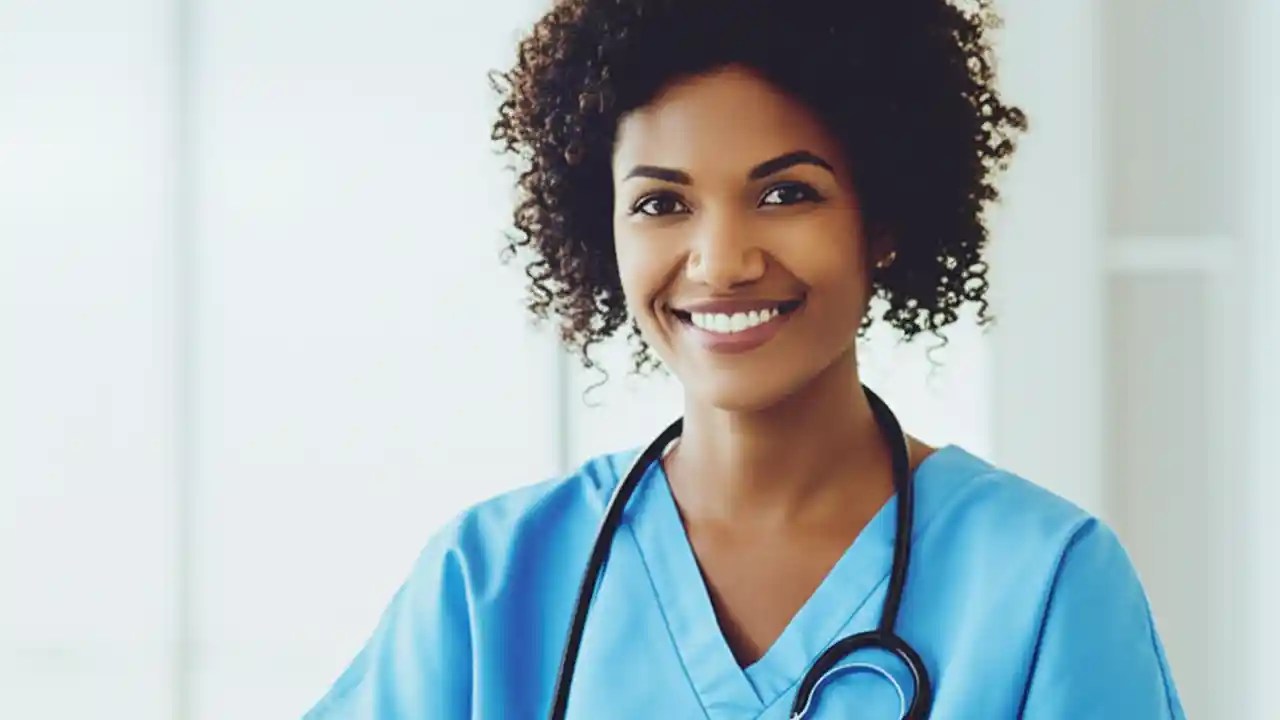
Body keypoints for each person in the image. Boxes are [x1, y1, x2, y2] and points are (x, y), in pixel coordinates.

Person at [304, 0, 1185, 717]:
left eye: (786, 193)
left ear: (882, 220)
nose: (722, 262)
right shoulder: (488, 585)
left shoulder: (1043, 581)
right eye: (661, 204)